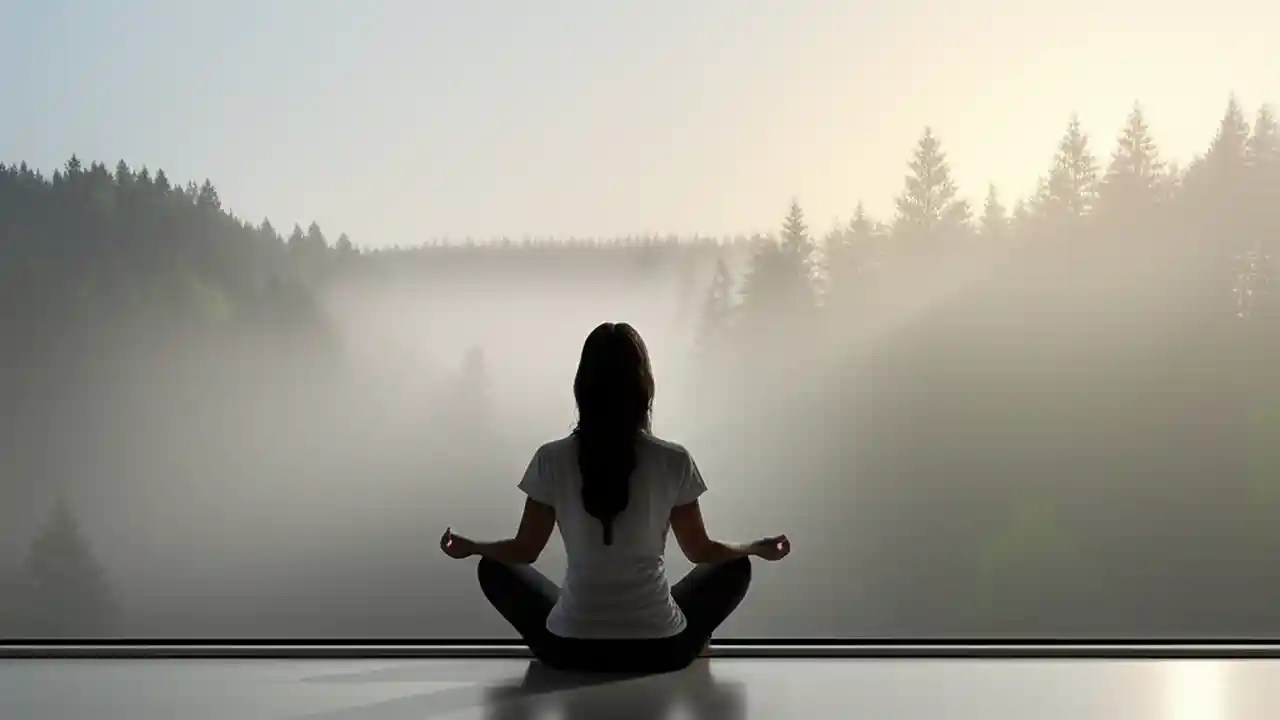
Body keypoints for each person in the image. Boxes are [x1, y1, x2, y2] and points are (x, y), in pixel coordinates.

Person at [439, 322, 791, 673]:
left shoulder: (551, 458)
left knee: (494, 567)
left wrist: (473, 546)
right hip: (661, 650)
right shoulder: (673, 460)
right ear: (643, 387)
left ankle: (577, 625)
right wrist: (754, 547)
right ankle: (696, 646)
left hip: (568, 650)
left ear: (582, 388)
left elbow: (524, 550)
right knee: (734, 566)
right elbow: (700, 550)